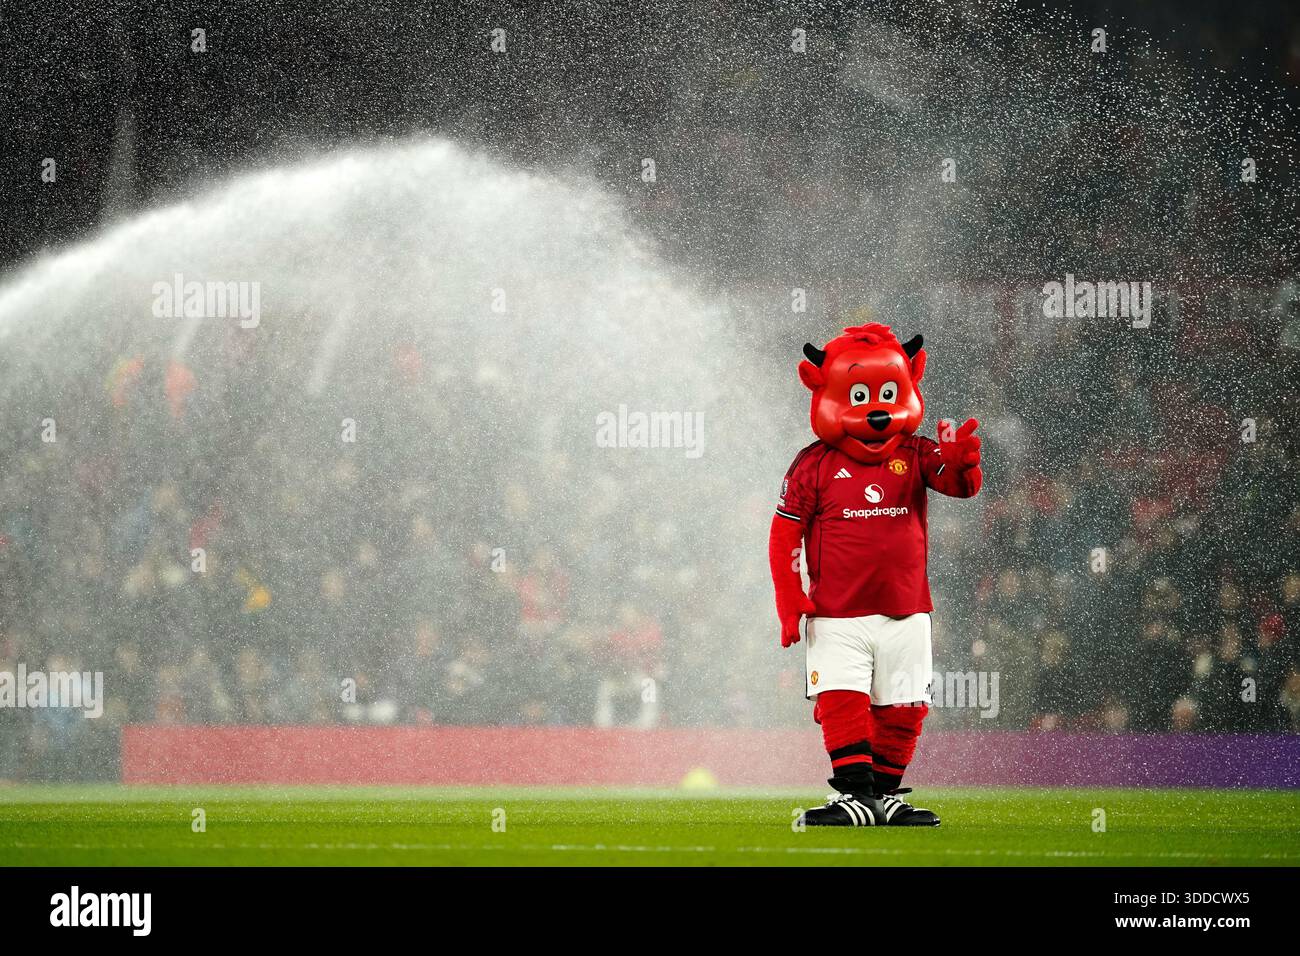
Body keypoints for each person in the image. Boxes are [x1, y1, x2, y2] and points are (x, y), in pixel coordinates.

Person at [768, 323, 982, 827]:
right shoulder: (811, 465)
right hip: (837, 613)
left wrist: (964, 464)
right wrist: (789, 599)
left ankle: (884, 796)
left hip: (907, 610)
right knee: (842, 700)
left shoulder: (915, 452)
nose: (878, 409)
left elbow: (959, 486)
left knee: (904, 708)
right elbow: (783, 535)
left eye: (888, 394)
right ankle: (853, 796)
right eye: (861, 395)